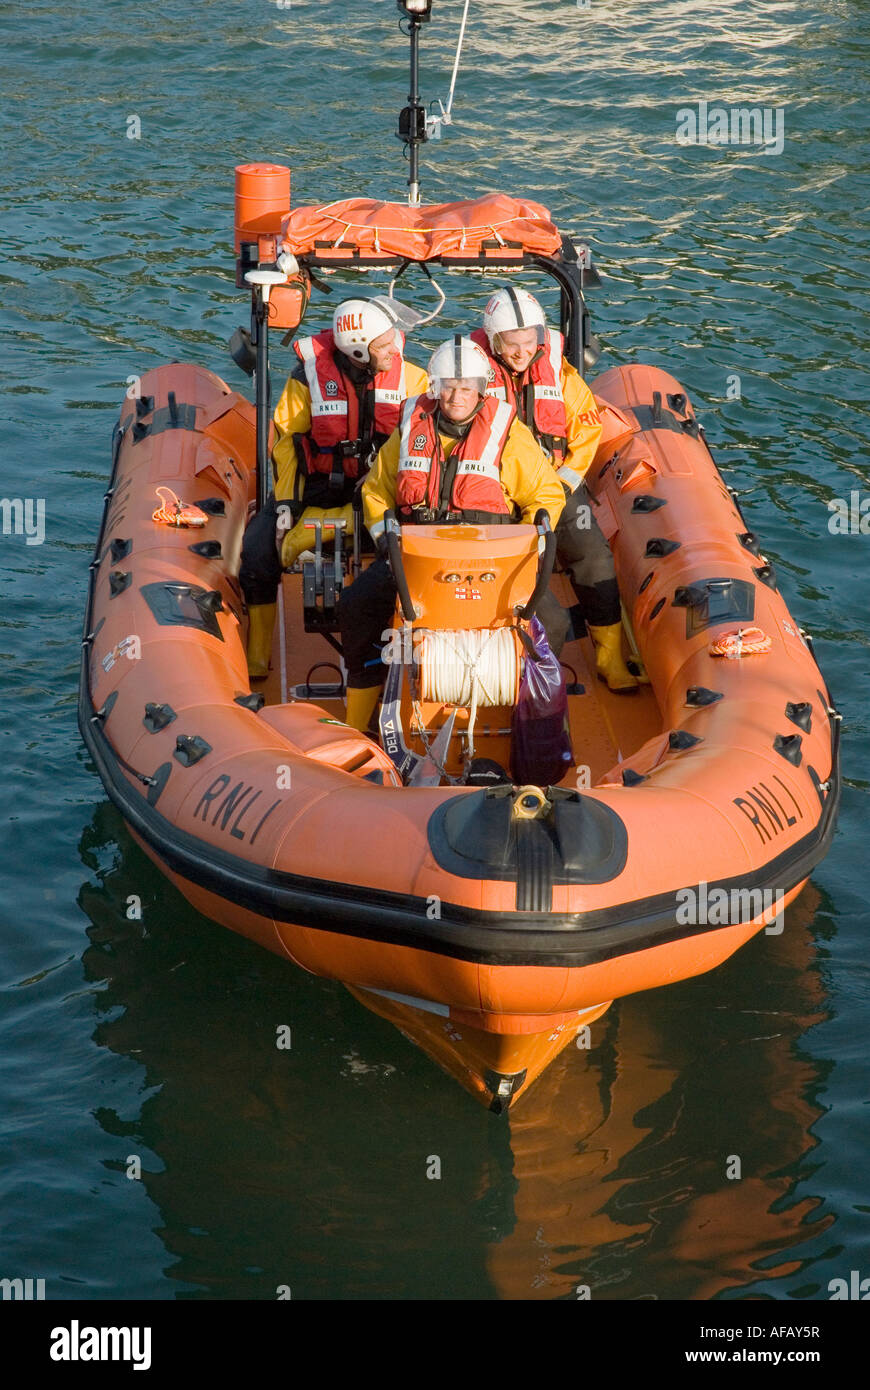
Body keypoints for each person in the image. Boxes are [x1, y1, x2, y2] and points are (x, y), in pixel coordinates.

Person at [338, 335, 566, 731]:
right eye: (448, 386)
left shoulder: (509, 434)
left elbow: (546, 494)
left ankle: (531, 714)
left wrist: (532, 550)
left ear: (480, 390)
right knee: (355, 608)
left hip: (493, 563)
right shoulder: (412, 424)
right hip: (414, 560)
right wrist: (384, 540)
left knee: (554, 624)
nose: (456, 396)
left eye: (466, 388)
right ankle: (360, 718)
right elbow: (377, 489)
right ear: (435, 386)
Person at [239, 297, 429, 677]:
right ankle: (258, 655)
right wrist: (287, 506)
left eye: (393, 339)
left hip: (381, 488)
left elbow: (418, 446)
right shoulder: (306, 377)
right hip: (322, 484)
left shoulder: (413, 378)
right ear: (359, 349)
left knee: (408, 549)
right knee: (258, 552)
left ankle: (412, 643)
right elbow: (288, 443)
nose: (395, 348)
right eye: (384, 344)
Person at [471, 286, 637, 691]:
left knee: (594, 556)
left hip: (557, 483)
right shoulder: (468, 374)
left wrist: (567, 478)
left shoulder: (557, 370)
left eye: (530, 341)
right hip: (500, 493)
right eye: (512, 343)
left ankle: (609, 657)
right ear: (493, 341)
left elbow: (585, 423)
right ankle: (519, 660)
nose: (522, 350)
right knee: (519, 573)